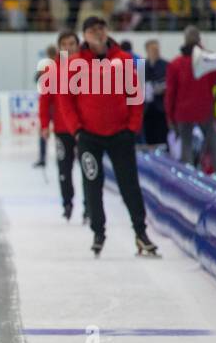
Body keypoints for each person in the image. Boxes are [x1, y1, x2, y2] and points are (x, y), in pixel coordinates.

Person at [56, 15, 159, 257]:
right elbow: (65, 101)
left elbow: (136, 94)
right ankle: (98, 231)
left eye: (101, 28)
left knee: (129, 185)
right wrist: (77, 130)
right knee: (92, 184)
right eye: (92, 30)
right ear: (85, 35)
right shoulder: (74, 64)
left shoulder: (123, 60)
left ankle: (140, 232)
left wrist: (132, 127)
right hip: (89, 136)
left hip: (120, 134)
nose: (98, 33)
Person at [165, 28, 216, 172]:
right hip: (204, 110)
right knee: (213, 145)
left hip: (183, 111)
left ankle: (189, 179)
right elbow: (214, 84)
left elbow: (171, 93)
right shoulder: (208, 62)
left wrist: (170, 116)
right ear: (200, 40)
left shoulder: (176, 64)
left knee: (186, 147)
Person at [39, 30, 84, 220]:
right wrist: (44, 125)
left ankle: (89, 206)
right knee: (64, 169)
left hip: (85, 129)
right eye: (64, 45)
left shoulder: (89, 67)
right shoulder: (52, 70)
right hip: (62, 129)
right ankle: (67, 202)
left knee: (88, 169)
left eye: (72, 44)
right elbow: (45, 100)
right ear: (59, 48)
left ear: (78, 45)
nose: (68, 48)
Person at [141, 39, 169, 146]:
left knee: (162, 137)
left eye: (157, 49)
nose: (155, 52)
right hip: (147, 109)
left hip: (161, 108)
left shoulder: (166, 65)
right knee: (149, 137)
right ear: (147, 51)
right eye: (152, 49)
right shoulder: (142, 66)